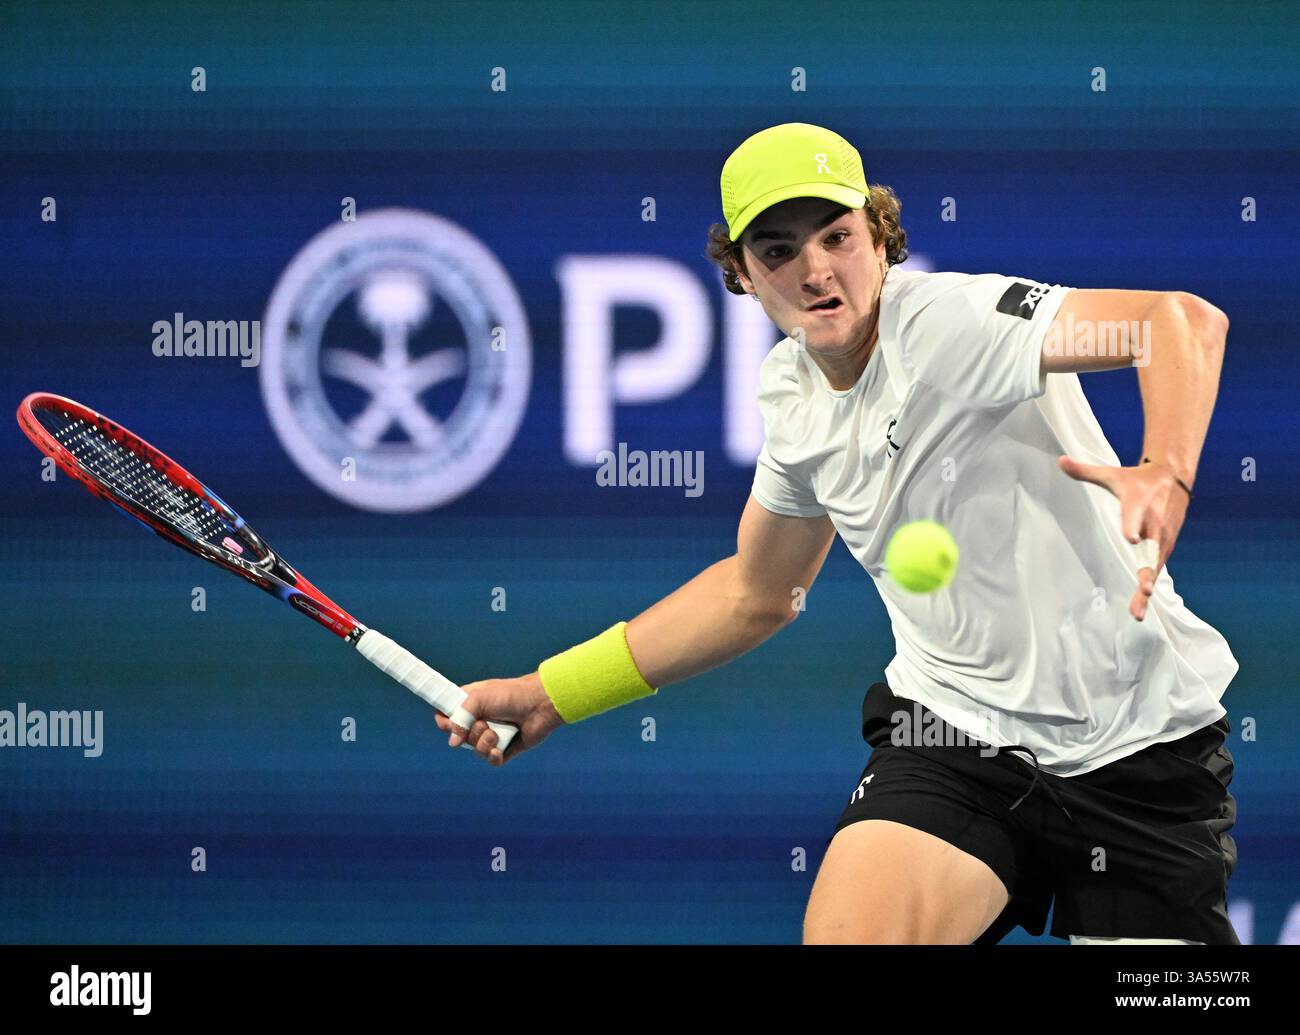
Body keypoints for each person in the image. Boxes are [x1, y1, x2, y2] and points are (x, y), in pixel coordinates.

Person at [436, 122, 1240, 945]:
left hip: (1142, 749)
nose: (817, 270)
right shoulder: (792, 400)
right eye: (778, 250)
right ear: (742, 277)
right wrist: (549, 693)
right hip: (955, 738)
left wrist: (1165, 469)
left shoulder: (951, 324)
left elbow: (1177, 322)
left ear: (881, 240)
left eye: (838, 236)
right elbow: (755, 595)